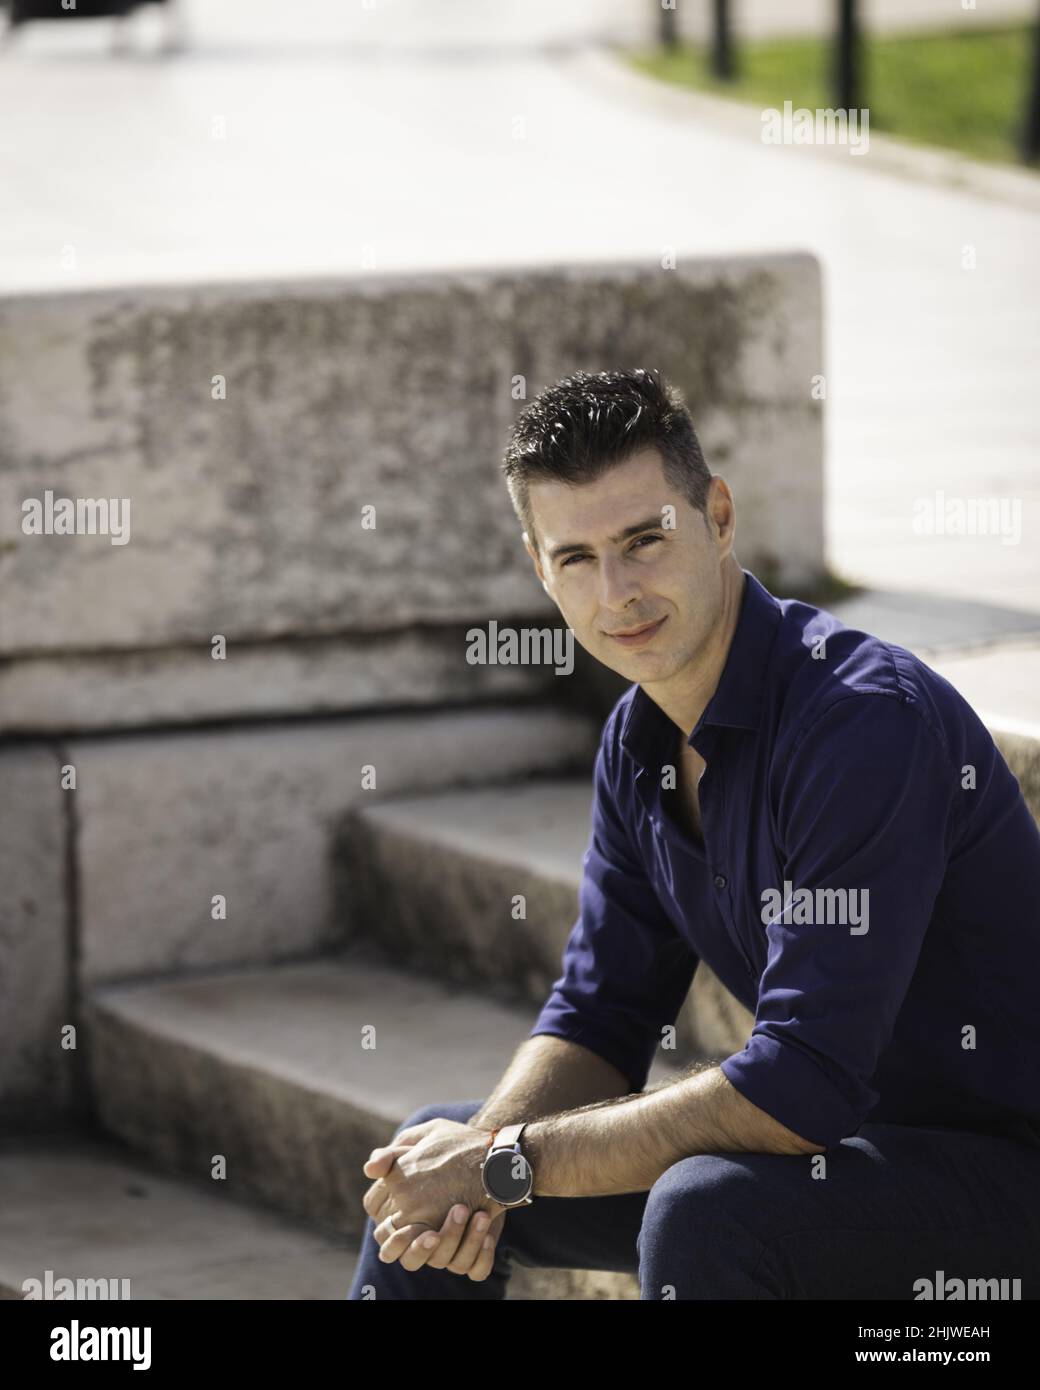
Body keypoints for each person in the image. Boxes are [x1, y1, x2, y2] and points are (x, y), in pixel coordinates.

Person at [348, 367, 1040, 1300]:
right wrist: (474, 1164)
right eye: (576, 559)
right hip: (842, 1160)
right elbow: (600, 1017)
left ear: (717, 517)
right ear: (540, 569)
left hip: (1001, 1172)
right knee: (426, 1166)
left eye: (645, 540)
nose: (618, 594)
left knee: (703, 1208)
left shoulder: (862, 724)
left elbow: (799, 1087)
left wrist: (503, 1162)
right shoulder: (637, 741)